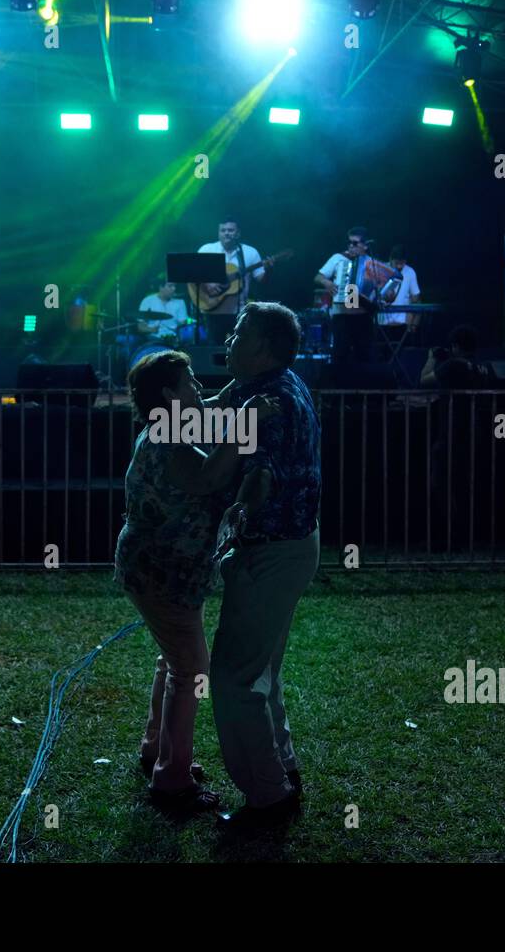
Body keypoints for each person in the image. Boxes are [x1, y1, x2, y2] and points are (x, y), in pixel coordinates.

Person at [114, 350, 279, 815]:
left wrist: (233, 403)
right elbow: (208, 478)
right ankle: (172, 782)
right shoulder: (168, 439)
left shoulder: (169, 426)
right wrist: (247, 420)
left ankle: (157, 751)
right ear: (169, 394)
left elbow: (206, 415)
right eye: (189, 381)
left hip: (164, 570)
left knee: (176, 662)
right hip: (162, 571)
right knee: (191, 669)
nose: (198, 388)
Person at [209, 302, 322, 832]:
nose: (228, 339)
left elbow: (264, 475)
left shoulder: (268, 403)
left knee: (232, 678)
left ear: (263, 348)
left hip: (271, 551)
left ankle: (267, 797)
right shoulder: (264, 387)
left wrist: (238, 516)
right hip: (290, 547)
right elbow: (207, 412)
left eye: (239, 333)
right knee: (262, 673)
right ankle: (281, 771)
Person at [314, 227, 398, 364]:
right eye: (349, 242)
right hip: (342, 316)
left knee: (363, 357)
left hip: (363, 317)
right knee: (340, 356)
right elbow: (318, 277)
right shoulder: (339, 258)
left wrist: (386, 294)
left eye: (355, 243)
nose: (350, 246)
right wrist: (327, 283)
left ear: (365, 245)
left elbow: (386, 292)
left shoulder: (372, 265)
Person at [197, 217, 272, 342]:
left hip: (240, 310)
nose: (226, 233)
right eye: (223, 230)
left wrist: (269, 269)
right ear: (218, 233)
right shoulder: (207, 250)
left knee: (241, 347)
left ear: (238, 233)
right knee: (214, 350)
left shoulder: (250, 252)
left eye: (230, 230)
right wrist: (208, 283)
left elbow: (261, 280)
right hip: (213, 309)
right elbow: (194, 275)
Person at [421, 324, 485, 389]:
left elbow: (424, 380)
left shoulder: (452, 364)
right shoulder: (485, 367)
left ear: (456, 346)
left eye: (452, 346)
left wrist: (431, 357)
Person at [379, 244, 422, 326]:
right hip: (382, 324)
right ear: (391, 259)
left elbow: (416, 299)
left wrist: (413, 324)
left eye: (402, 263)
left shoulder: (410, 272)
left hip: (402, 323)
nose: (399, 266)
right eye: (396, 263)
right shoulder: (382, 269)